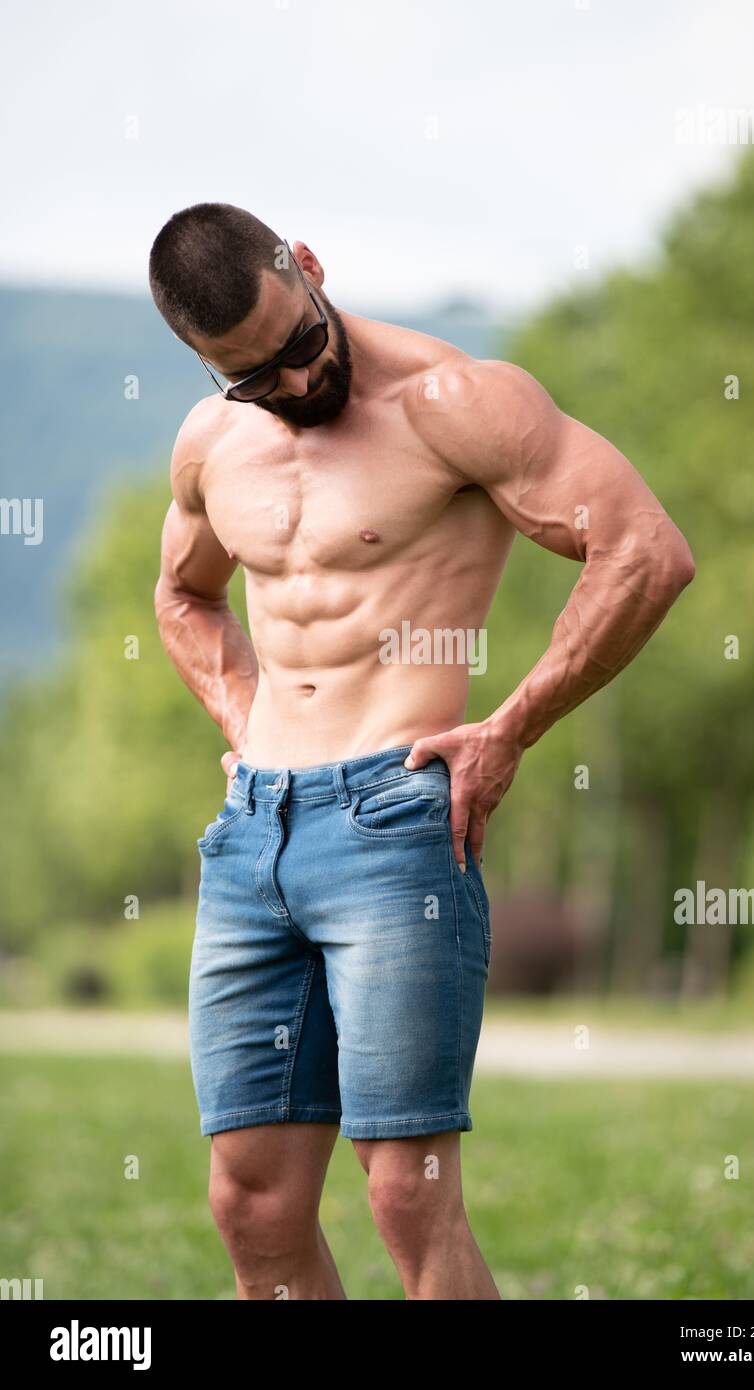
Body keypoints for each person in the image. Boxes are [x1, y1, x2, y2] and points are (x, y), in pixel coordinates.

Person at [149, 201, 695, 1300]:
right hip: (255, 832)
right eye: (252, 377)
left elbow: (643, 552)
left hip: (398, 823)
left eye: (299, 347)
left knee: (406, 1190)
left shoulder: (454, 403)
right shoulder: (214, 442)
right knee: (249, 1200)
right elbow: (183, 596)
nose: (295, 387)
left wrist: (511, 726)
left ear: (305, 265)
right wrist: (244, 720)